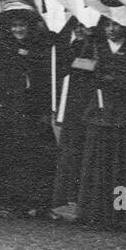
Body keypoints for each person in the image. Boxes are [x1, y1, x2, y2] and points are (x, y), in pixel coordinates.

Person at [0, 0, 57, 217]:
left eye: (22, 25)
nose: (18, 29)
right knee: (13, 156)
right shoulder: (0, 51)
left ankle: (42, 205)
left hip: (35, 112)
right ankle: (15, 203)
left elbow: (46, 82)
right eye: (15, 25)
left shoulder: (41, 49)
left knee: (41, 156)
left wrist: (46, 109)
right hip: (10, 111)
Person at [76, 18, 126, 229]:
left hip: (123, 116)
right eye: (107, 25)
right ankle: (91, 211)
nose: (111, 29)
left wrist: (117, 80)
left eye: (116, 24)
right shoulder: (95, 47)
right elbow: (79, 73)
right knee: (95, 166)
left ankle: (119, 211)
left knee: (120, 168)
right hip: (99, 113)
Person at [50, 18, 95, 220]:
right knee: (70, 148)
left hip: (92, 101)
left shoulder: (96, 43)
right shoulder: (68, 37)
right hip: (73, 103)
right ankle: (67, 195)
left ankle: (82, 197)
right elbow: (62, 67)